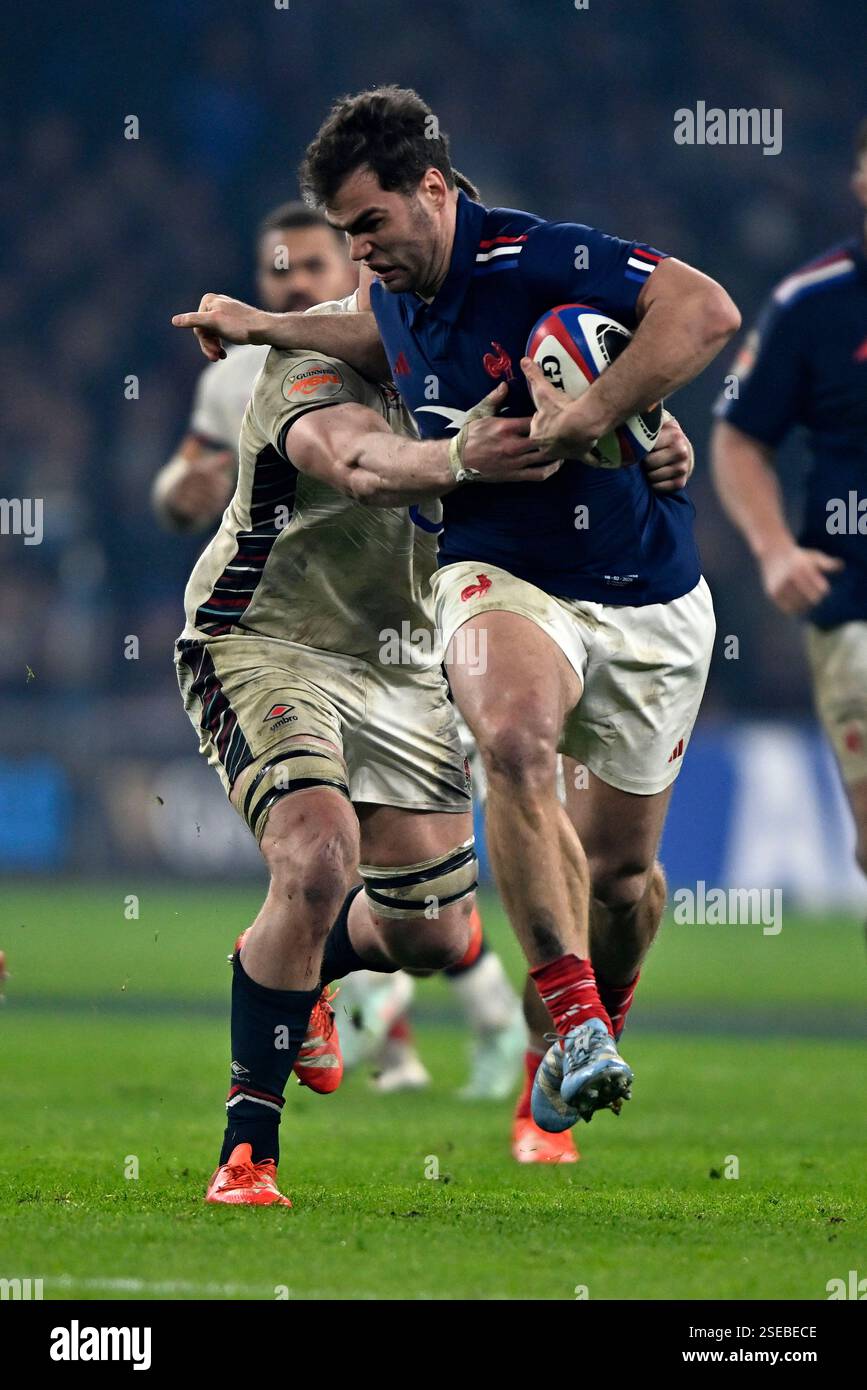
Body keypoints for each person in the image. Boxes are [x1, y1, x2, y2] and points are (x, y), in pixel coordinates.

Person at [176, 270, 561, 1204]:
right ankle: (248, 1150)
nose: (397, 288)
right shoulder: (307, 350)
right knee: (315, 859)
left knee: (432, 937)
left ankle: (296, 967)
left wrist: (653, 448)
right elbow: (356, 466)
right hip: (266, 638)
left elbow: (601, 440)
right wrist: (473, 454)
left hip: (403, 667)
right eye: (376, 266)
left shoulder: (498, 371)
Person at [711, 117, 867, 916]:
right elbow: (739, 436)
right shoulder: (811, 305)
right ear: (858, 178)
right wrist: (773, 551)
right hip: (852, 600)